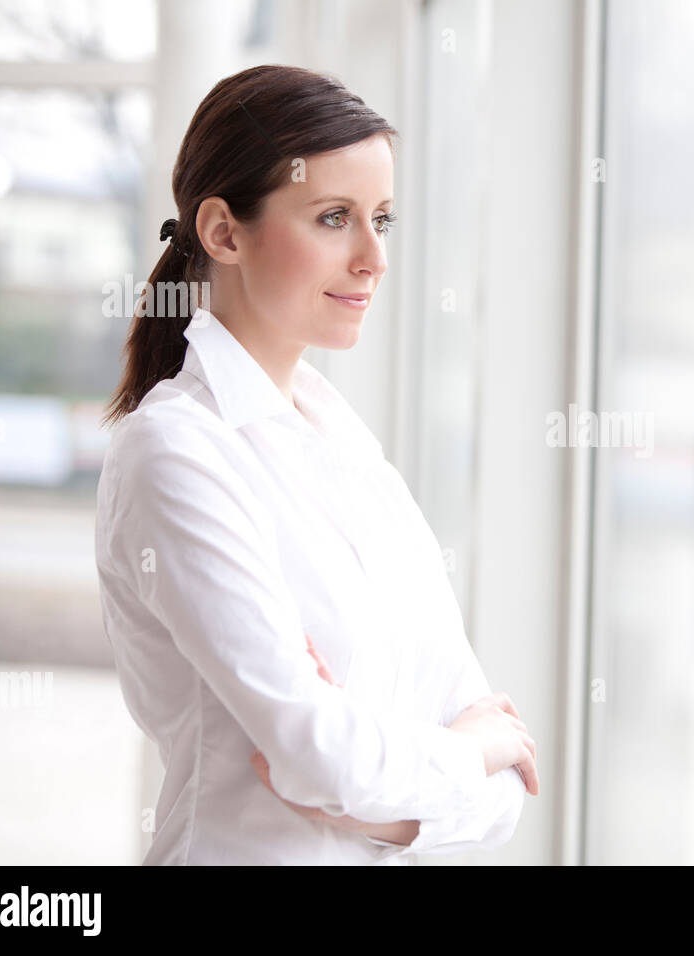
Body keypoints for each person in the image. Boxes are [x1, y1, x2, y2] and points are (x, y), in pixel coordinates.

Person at [95, 64, 539, 865]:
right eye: (335, 217)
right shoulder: (176, 454)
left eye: (383, 219)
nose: (375, 258)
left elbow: (508, 782)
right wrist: (466, 755)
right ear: (224, 232)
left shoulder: (349, 449)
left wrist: (383, 809)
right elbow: (316, 749)